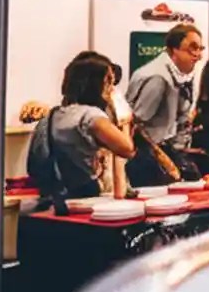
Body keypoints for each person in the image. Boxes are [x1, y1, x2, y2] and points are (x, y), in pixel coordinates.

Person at [28, 55, 136, 203]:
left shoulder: (55, 115)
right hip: (86, 198)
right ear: (96, 84)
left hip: (56, 198)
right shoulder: (91, 116)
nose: (111, 88)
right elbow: (126, 149)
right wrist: (123, 119)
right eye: (108, 81)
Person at [126, 23, 203, 150]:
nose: (198, 55)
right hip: (151, 157)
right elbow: (137, 125)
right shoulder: (158, 78)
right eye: (192, 48)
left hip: (165, 151)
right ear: (174, 49)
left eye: (200, 49)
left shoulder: (177, 75)